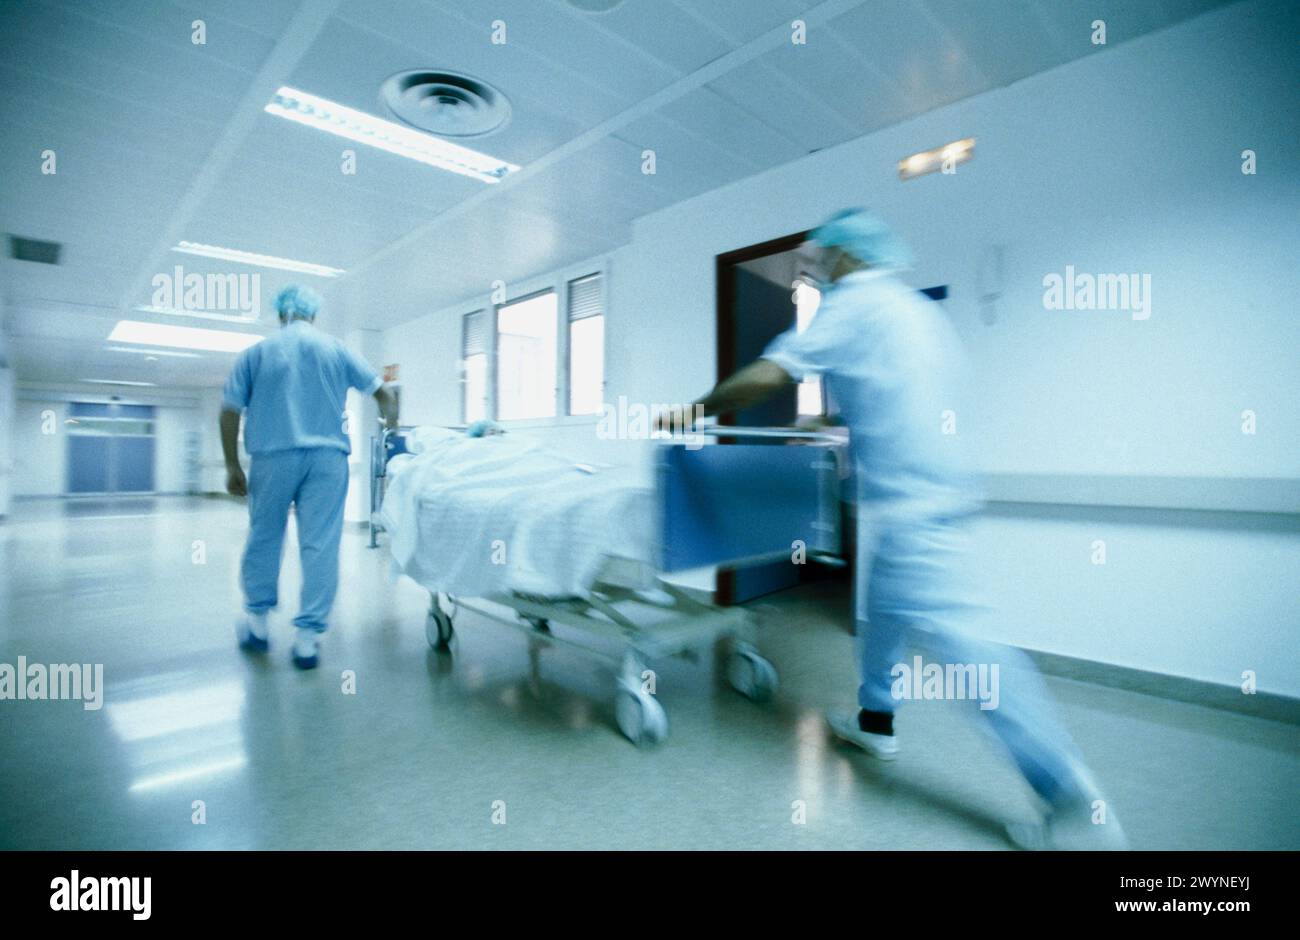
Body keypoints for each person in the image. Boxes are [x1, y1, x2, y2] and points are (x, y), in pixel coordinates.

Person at [660, 209, 1126, 850]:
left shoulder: (854, 303)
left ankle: (1072, 803)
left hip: (915, 509)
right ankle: (875, 717)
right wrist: (829, 428)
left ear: (845, 257)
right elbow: (900, 400)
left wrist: (689, 412)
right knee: (881, 616)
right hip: (935, 498)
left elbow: (770, 374)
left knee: (972, 656)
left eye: (822, 260)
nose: (819, 271)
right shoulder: (914, 312)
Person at [221, 285, 398, 669]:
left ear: (281, 314)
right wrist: (390, 434)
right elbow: (384, 395)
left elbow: (229, 410)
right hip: (327, 460)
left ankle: (258, 625)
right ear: (312, 315)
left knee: (264, 536)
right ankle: (306, 641)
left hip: (272, 458)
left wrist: (232, 465)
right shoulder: (335, 348)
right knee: (320, 544)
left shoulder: (256, 353)